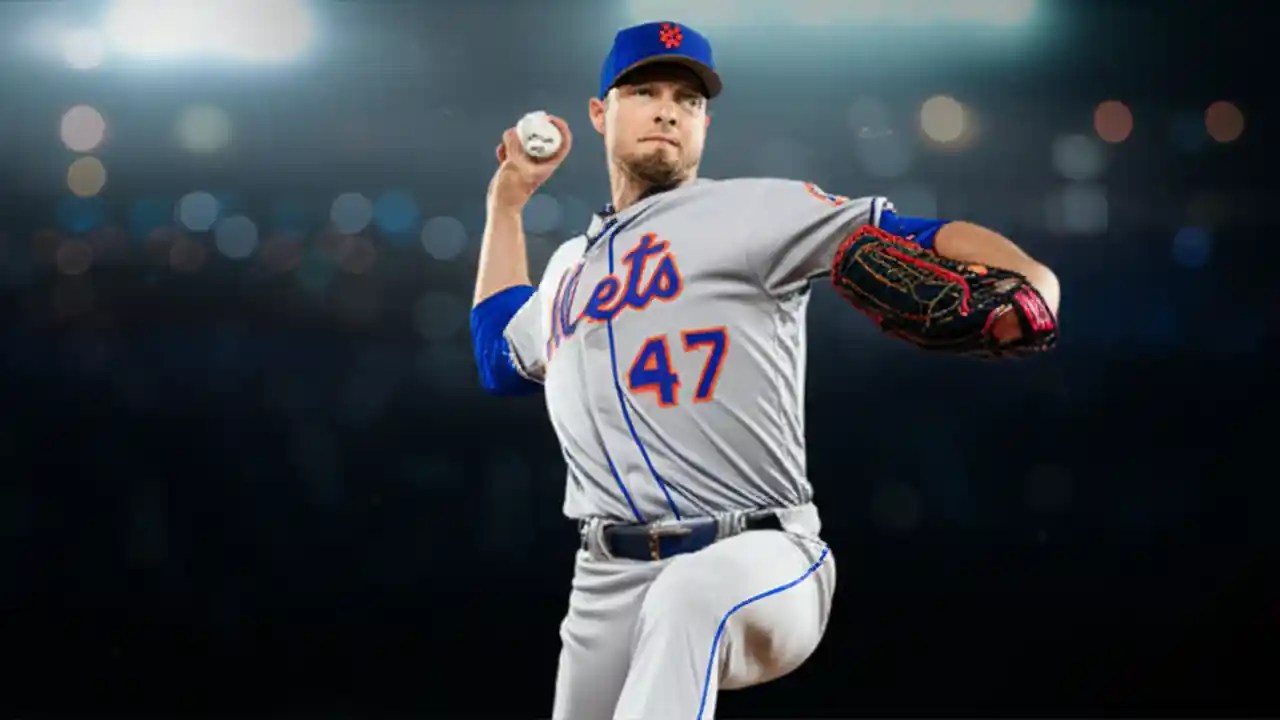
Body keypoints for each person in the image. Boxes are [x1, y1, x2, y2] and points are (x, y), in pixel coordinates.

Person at [469, 20, 1060, 720]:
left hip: (760, 554)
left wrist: (1033, 276)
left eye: (687, 101)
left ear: (705, 123)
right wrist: (506, 205)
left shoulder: (751, 210)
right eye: (645, 91)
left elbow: (913, 236)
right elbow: (497, 360)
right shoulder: (570, 267)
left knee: (687, 596)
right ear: (601, 114)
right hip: (605, 577)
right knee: (658, 616)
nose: (667, 109)